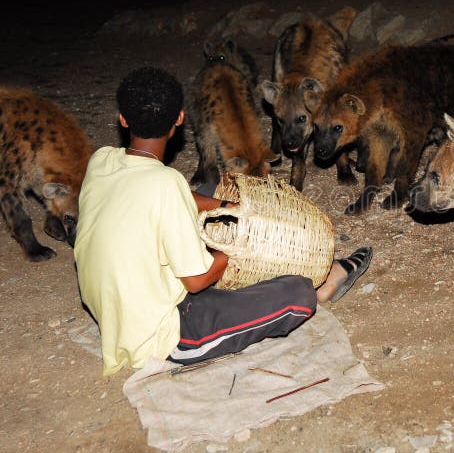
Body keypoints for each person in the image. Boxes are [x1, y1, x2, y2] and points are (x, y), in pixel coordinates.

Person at [74, 67, 372, 376]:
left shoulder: (102, 159)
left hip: (119, 307)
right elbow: (198, 280)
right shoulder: (165, 184)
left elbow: (183, 196)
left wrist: (227, 205)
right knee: (297, 296)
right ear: (179, 118)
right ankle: (321, 282)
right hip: (166, 333)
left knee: (207, 192)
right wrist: (249, 240)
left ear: (123, 119)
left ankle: (273, 264)